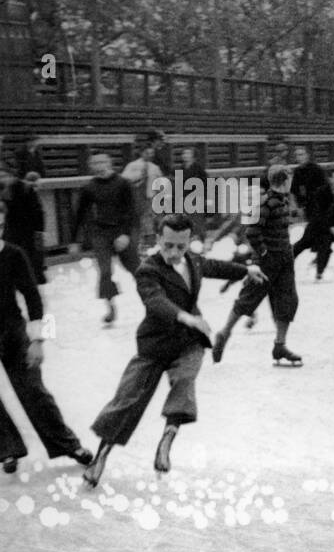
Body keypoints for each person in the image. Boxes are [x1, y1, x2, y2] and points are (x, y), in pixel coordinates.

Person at [82, 215, 265, 487]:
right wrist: (185, 316)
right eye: (168, 246)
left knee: (184, 382)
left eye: (180, 247)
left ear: (189, 243)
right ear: (158, 240)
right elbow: (155, 301)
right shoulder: (148, 270)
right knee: (127, 400)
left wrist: (245, 270)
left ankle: (167, 440)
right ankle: (101, 457)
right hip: (155, 343)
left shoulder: (193, 260)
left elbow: (215, 267)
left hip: (190, 341)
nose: (174, 253)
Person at [0, 199, 93, 474]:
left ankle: (68, 445)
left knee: (35, 393)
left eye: (1, 225)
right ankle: (6, 450)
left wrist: (39, 340)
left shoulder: (13, 254)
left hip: (13, 332)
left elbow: (36, 297)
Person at [211, 166, 302, 366]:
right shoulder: (266, 203)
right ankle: (224, 333)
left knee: (287, 300)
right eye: (290, 179)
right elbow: (252, 232)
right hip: (268, 261)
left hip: (285, 259)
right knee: (249, 298)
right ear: (284, 180)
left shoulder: (284, 200)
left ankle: (280, 345)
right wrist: (263, 253)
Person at [72, 153, 140, 325]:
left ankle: (154, 301)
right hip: (100, 232)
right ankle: (110, 306)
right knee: (105, 271)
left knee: (136, 269)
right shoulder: (89, 187)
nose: (99, 165)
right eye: (94, 162)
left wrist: (125, 234)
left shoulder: (123, 183)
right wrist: (74, 240)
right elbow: (79, 213)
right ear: (90, 166)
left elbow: (132, 210)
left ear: (110, 163)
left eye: (102, 161)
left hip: (121, 230)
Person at [293, 169, 334, 280]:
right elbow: (318, 214)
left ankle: (319, 272)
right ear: (330, 179)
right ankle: (284, 261)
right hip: (317, 225)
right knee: (302, 244)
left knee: (325, 247)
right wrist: (331, 228)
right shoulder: (320, 192)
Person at [1, 168, 46, 283]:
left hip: (19, 229)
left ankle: (26, 278)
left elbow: (37, 211)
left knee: (21, 254)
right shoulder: (22, 188)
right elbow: (38, 211)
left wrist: (39, 230)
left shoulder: (22, 188)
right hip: (20, 229)